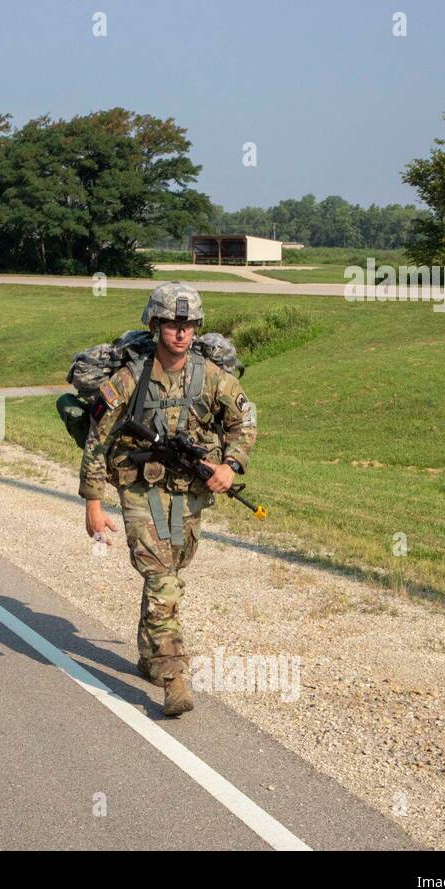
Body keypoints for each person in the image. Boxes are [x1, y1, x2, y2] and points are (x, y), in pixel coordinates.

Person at [79, 282, 257, 716]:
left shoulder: (211, 377)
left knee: (173, 572)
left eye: (189, 325)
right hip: (140, 489)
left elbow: (244, 423)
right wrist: (93, 504)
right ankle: (173, 677)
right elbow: (97, 441)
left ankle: (149, 654)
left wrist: (229, 466)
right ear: (155, 325)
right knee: (161, 577)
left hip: (188, 492)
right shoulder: (129, 377)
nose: (181, 333)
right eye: (173, 324)